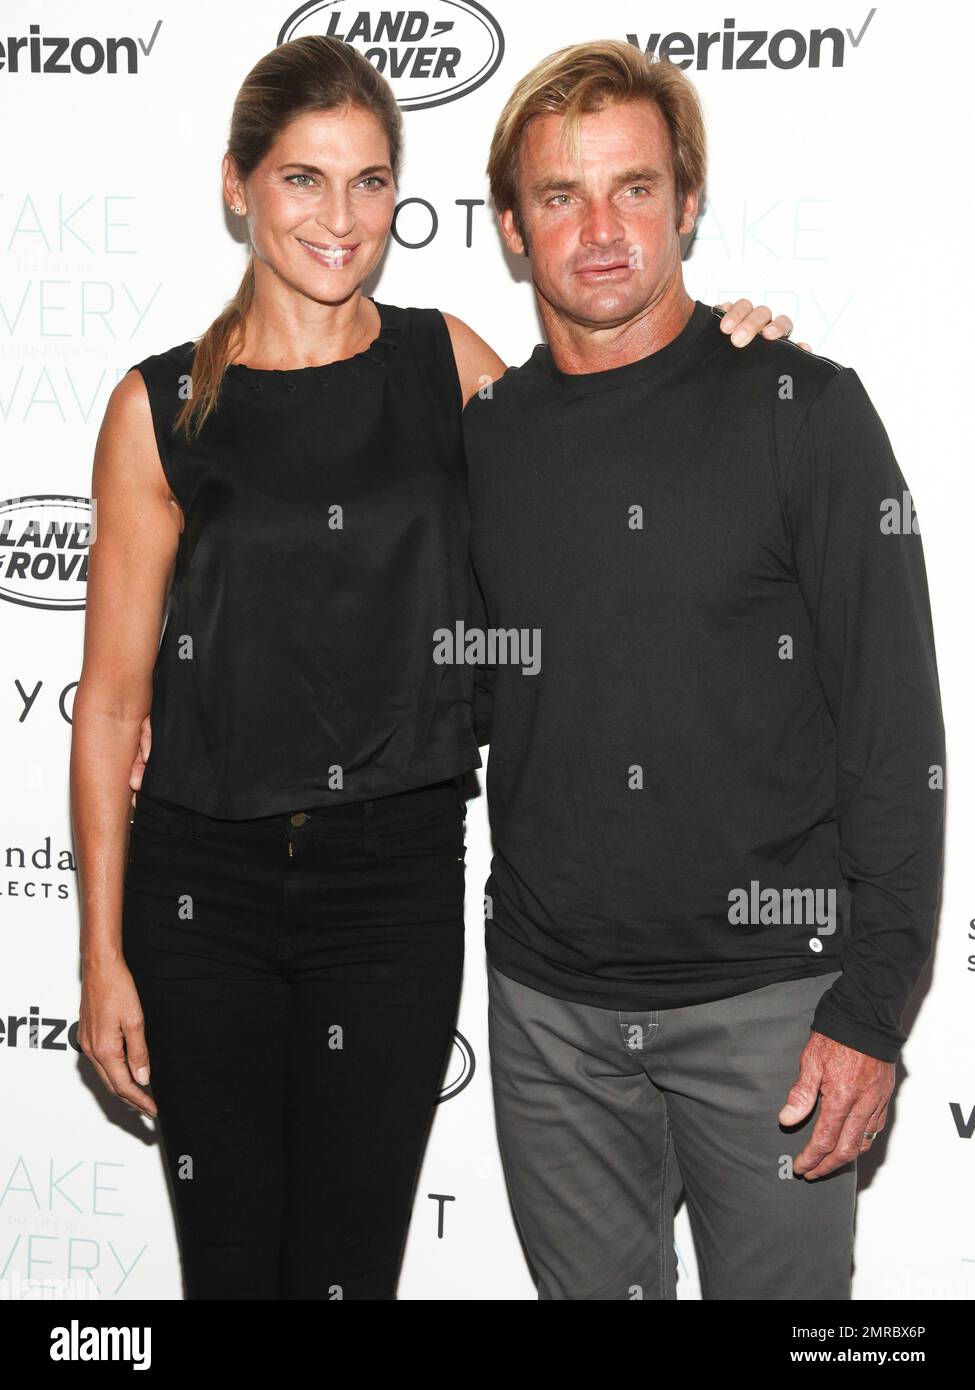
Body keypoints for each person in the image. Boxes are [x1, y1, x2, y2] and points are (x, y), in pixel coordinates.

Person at [80, 36, 793, 1300]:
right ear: (237, 185)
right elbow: (114, 709)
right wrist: (99, 957)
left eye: (368, 182)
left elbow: (603, 444)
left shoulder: (444, 361)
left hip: (390, 885)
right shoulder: (160, 410)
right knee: (232, 1272)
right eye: (303, 179)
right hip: (204, 894)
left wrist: (723, 356)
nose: (339, 218)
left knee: (351, 1269)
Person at [463, 41, 946, 1300]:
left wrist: (874, 1008)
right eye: (562, 196)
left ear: (688, 204)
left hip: (777, 1010)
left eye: (635, 188)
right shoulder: (486, 441)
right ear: (513, 227)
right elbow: (455, 688)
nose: (604, 230)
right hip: (549, 1016)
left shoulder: (805, 410)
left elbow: (897, 735)